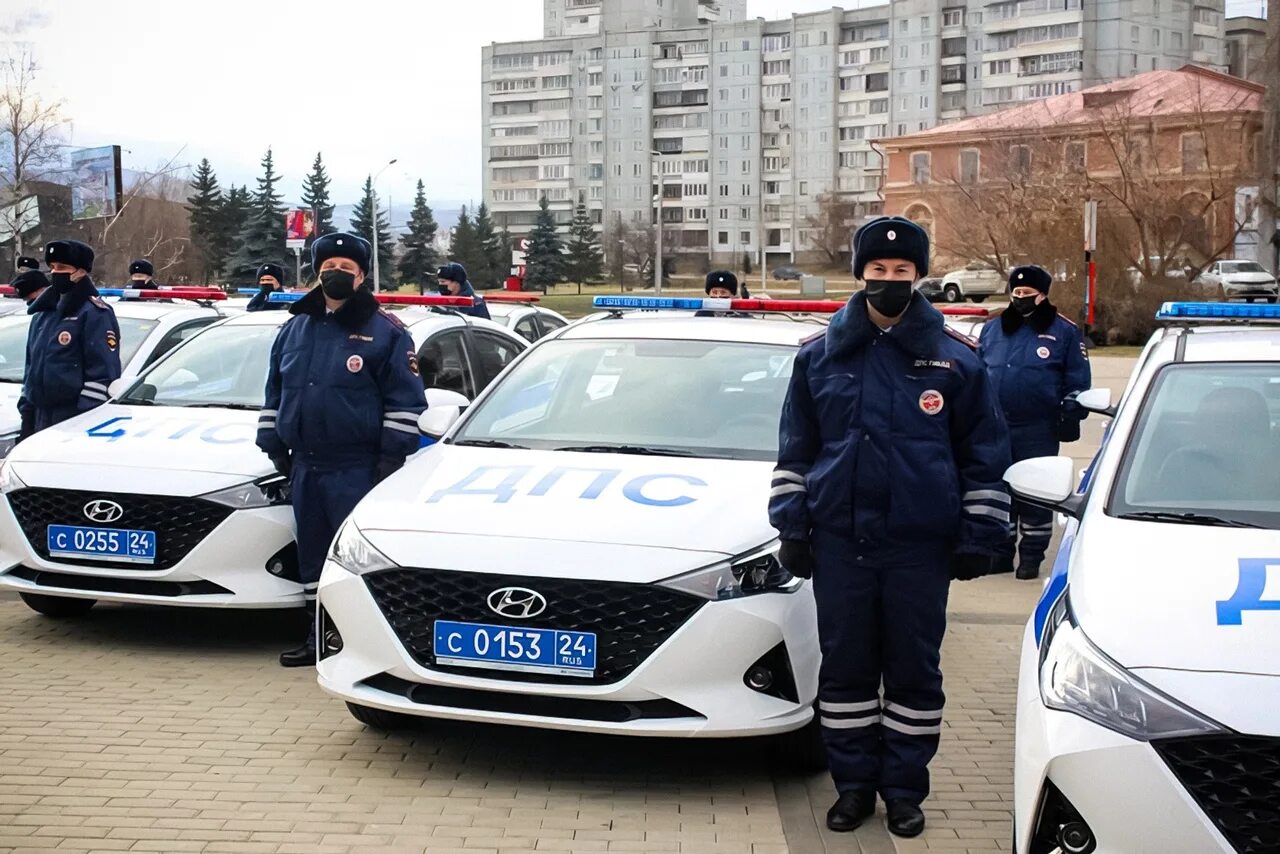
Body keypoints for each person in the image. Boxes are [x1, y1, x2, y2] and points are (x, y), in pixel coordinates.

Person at [770, 216, 1011, 838]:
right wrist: (792, 527)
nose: (889, 279)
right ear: (861, 274)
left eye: (902, 271)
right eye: (878, 269)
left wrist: (979, 535)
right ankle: (852, 789)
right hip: (840, 544)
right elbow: (796, 451)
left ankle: (904, 791)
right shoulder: (819, 356)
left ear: (919, 276)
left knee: (913, 673)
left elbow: (983, 455)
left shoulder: (957, 360)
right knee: (846, 671)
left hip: (918, 548)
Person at [256, 232, 427, 667]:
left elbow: (405, 403)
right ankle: (319, 639)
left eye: (345, 269)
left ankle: (360, 645)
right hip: (305, 466)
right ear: (317, 273)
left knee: (355, 561)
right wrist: (273, 445)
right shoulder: (295, 327)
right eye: (328, 267)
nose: (335, 274)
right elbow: (274, 392)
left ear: (361, 276)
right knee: (312, 557)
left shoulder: (386, 332)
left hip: (357, 468)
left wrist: (388, 461)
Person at [978, 265, 1091, 580]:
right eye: (1016, 293)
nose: (1020, 298)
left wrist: (1071, 411)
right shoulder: (993, 329)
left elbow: (1078, 378)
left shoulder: (1064, 332)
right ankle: (1000, 553)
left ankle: (1031, 556)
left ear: (1042, 295)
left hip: (1038, 427)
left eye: (1027, 293)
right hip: (996, 427)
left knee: (1033, 493)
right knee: (999, 491)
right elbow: (976, 373)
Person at [21, 240, 121, 438]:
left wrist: (83, 418)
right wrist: (27, 410)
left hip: (73, 416)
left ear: (80, 272)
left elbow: (102, 373)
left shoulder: (94, 313)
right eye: (52, 267)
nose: (55, 272)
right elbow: (31, 367)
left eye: (62, 267)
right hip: (41, 416)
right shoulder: (43, 313)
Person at [12, 267, 49, 441]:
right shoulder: (38, 318)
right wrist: (26, 400)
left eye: (30, 298)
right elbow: (32, 364)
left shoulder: (60, 316)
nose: (30, 304)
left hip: (56, 408)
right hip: (34, 404)